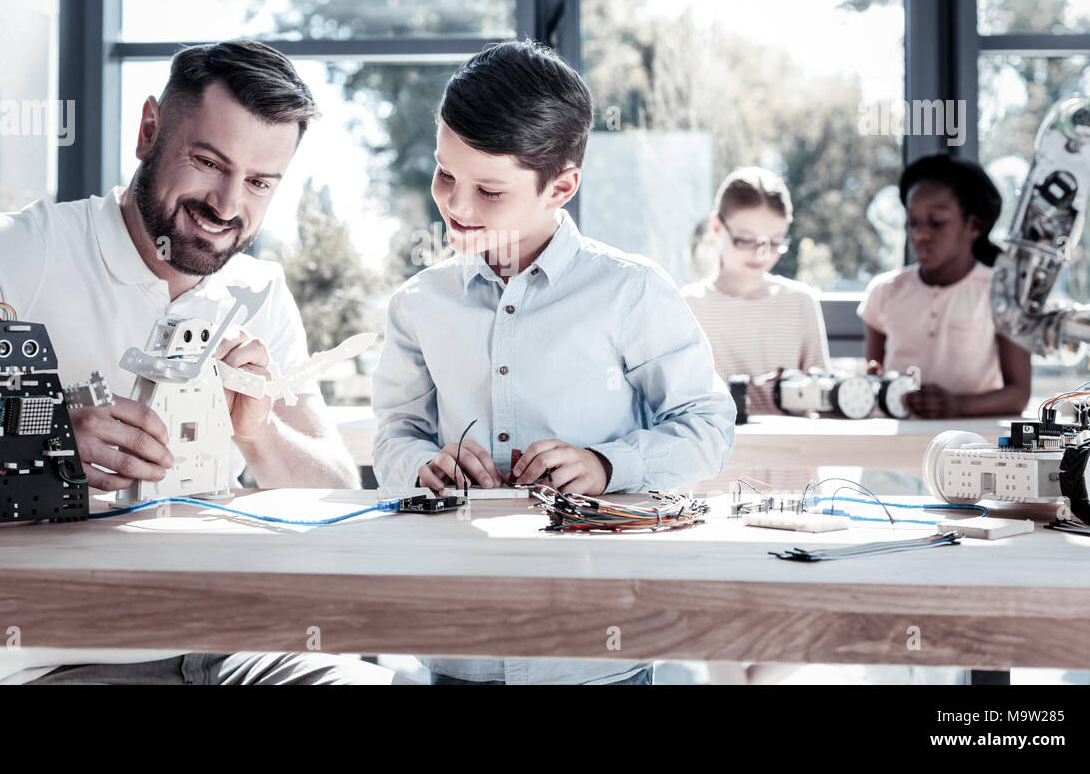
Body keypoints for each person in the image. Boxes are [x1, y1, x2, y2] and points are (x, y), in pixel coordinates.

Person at [0, 39, 393, 684]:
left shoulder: (259, 292)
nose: (228, 206)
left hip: (242, 647)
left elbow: (338, 497)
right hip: (61, 658)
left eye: (259, 183)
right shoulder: (26, 249)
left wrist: (259, 432)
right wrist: (28, 417)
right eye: (207, 162)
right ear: (149, 129)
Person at [371, 39, 735, 685]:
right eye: (444, 174)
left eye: (489, 190)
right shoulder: (419, 304)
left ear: (561, 186)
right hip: (461, 644)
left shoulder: (631, 291)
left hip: (595, 649)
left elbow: (707, 427)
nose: (456, 206)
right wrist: (419, 468)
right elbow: (395, 436)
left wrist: (605, 464)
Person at [858, 154, 1031, 418]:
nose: (919, 235)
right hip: (892, 450)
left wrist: (957, 406)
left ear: (973, 225)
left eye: (936, 222)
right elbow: (872, 381)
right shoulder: (886, 291)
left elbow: (1018, 395)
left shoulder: (1001, 293)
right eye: (912, 222)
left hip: (969, 448)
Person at [682, 167, 830, 415]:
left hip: (794, 448)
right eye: (746, 240)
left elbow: (823, 400)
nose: (761, 253)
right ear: (716, 227)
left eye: (774, 242)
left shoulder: (800, 302)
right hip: (719, 450)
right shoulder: (688, 306)